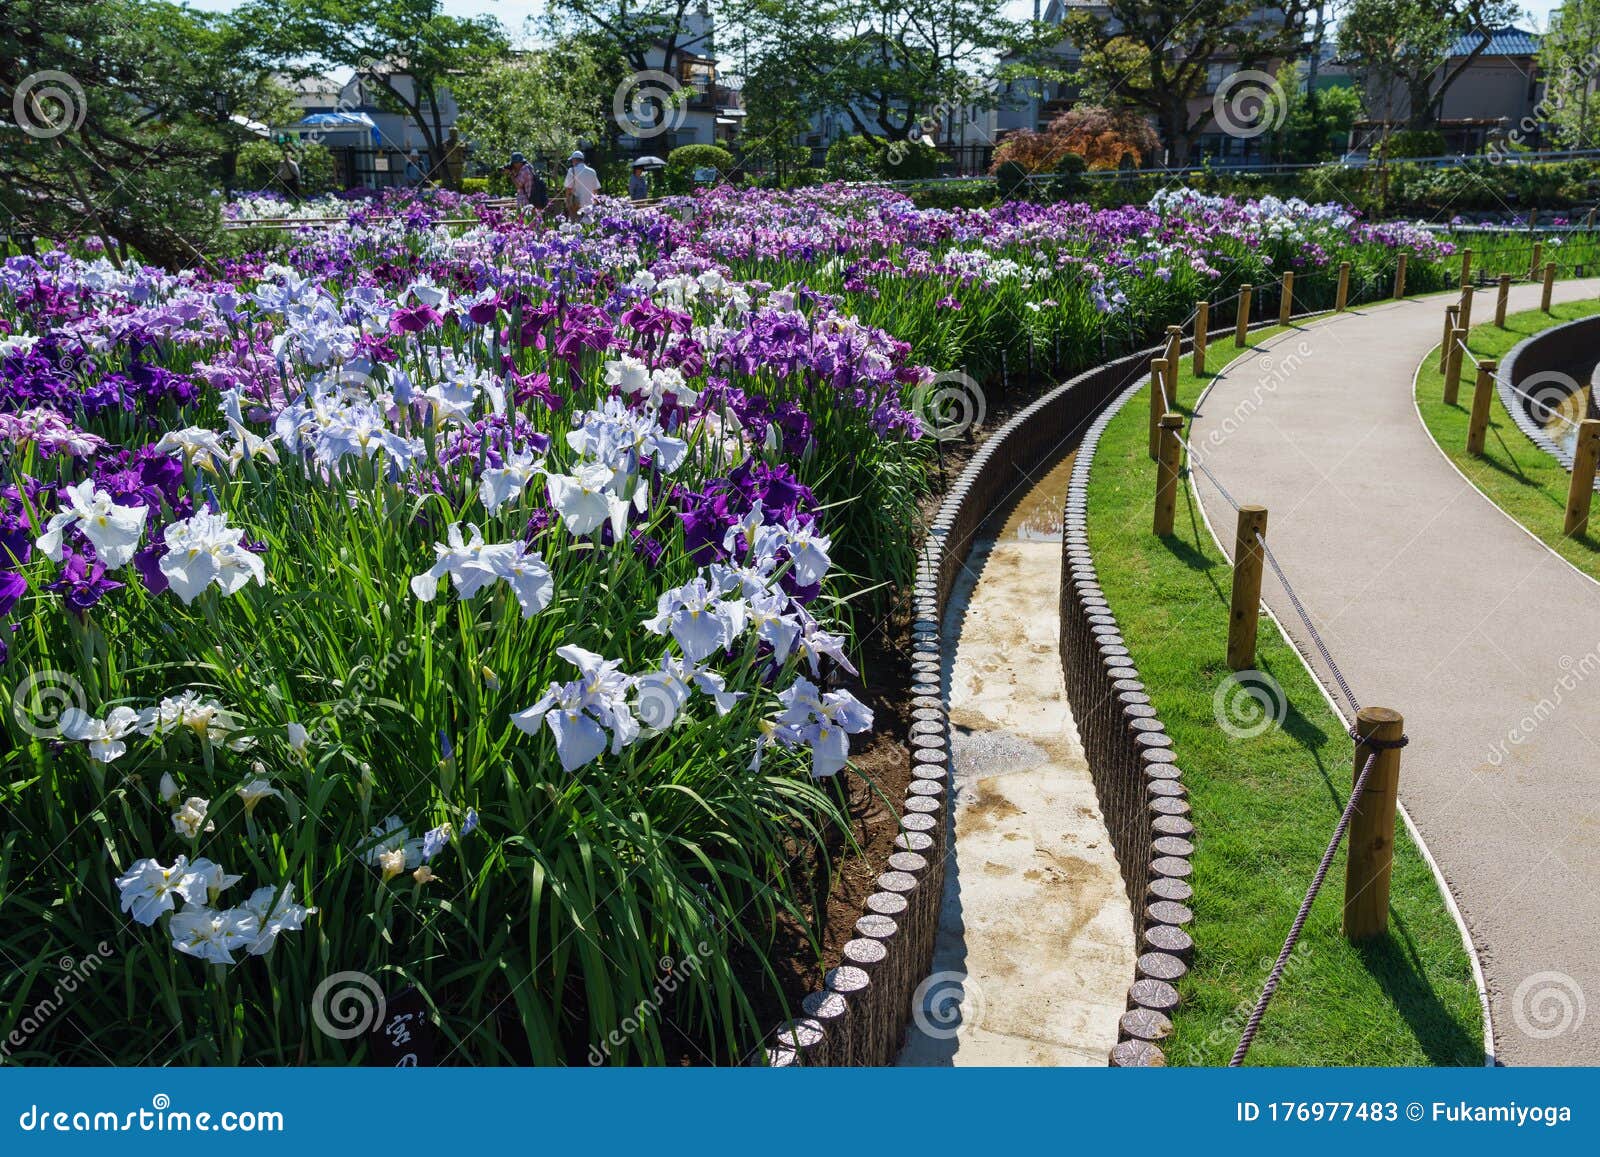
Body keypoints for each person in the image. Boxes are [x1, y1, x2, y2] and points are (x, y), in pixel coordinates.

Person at [563, 150, 601, 216]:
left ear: (574, 160)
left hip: (577, 205)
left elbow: (568, 189)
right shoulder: (592, 171)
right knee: (589, 225)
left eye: (572, 161)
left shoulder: (571, 170)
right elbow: (596, 190)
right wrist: (595, 204)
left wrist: (568, 203)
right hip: (590, 206)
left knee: (577, 224)